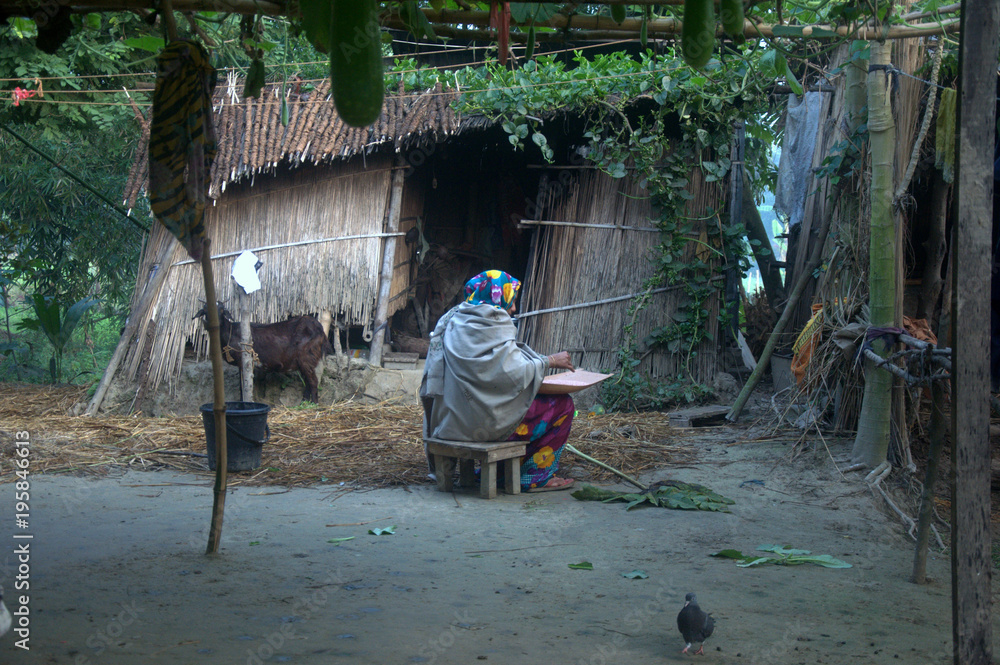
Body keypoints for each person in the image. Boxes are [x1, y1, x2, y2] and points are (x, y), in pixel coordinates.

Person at [420, 269, 578, 492]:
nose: (513, 308)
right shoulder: (493, 322)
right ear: (497, 297)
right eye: (511, 299)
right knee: (563, 406)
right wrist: (550, 361)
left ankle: (501, 473)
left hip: (450, 424)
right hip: (484, 426)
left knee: (525, 404)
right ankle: (533, 477)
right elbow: (509, 375)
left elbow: (490, 374)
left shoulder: (452, 319)